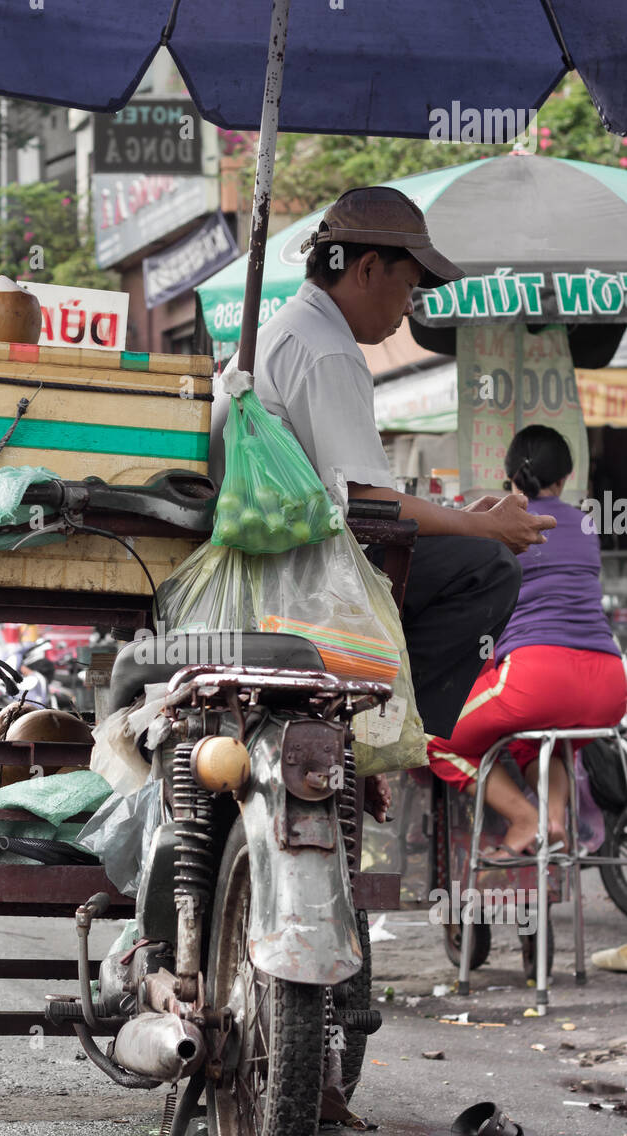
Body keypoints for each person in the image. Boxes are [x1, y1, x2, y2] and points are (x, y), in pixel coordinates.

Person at [209, 187, 556, 802]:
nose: (407, 309)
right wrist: (484, 528)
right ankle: (375, 730)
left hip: (278, 558)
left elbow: (360, 498)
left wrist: (457, 519)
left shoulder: (290, 327)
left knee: (463, 553)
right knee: (488, 569)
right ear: (367, 269)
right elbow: (369, 505)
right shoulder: (327, 347)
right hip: (296, 573)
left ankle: (367, 726)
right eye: (407, 287)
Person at [426, 425, 627, 858]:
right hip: (609, 686)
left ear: (510, 472)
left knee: (432, 736)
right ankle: (553, 822)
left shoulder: (502, 524)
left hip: (538, 678)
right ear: (566, 475)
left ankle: (524, 818)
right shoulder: (588, 523)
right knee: (537, 738)